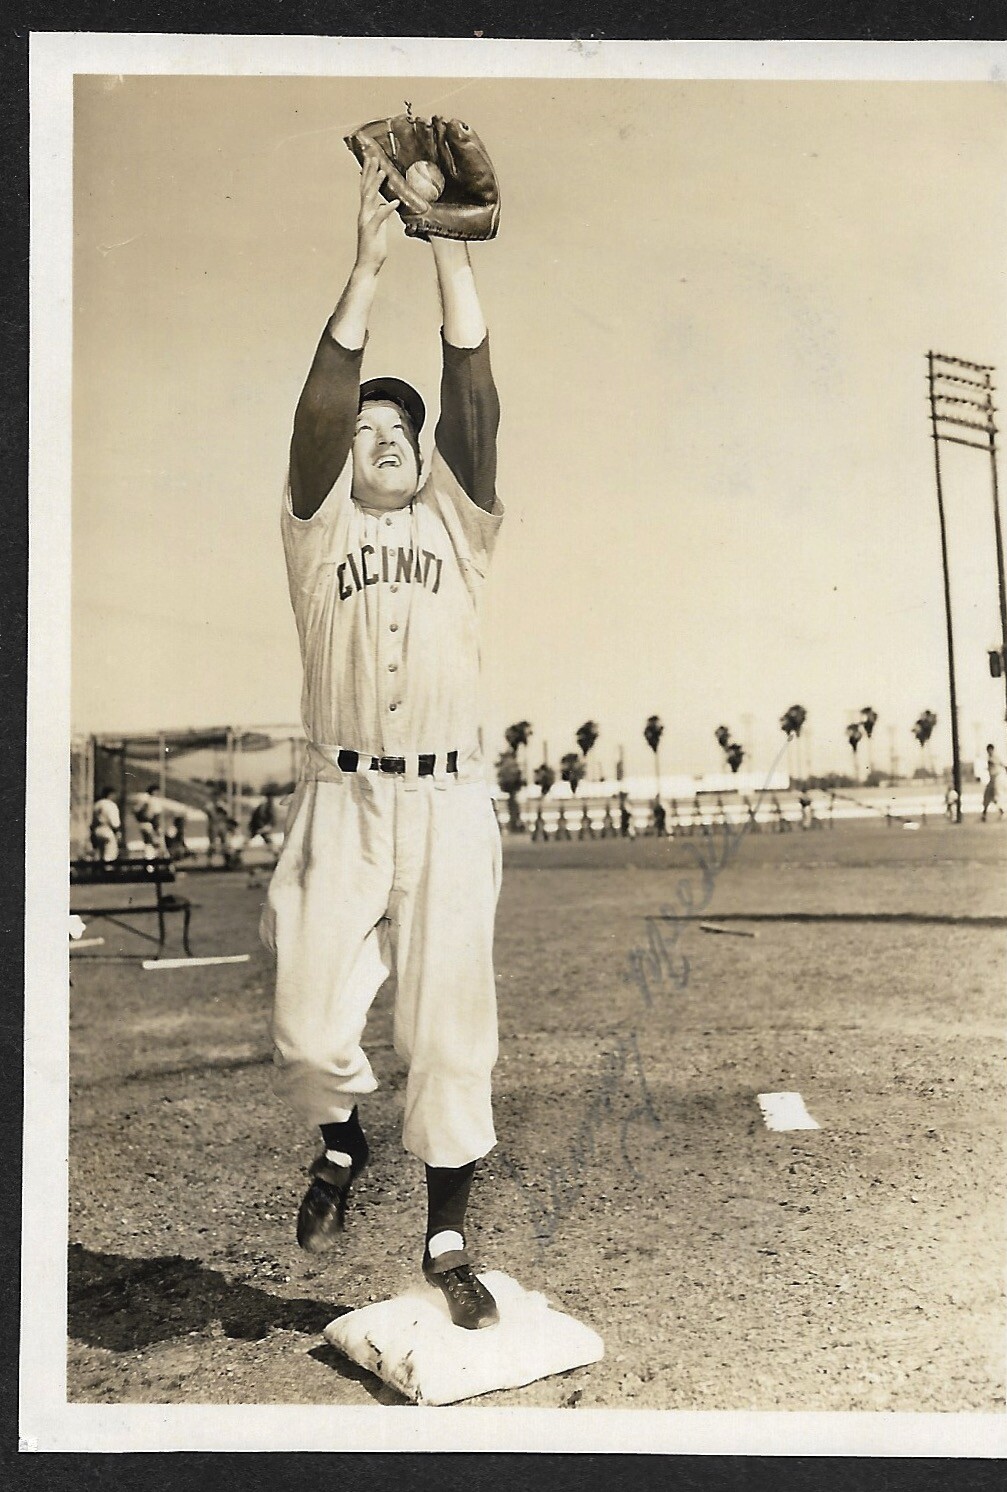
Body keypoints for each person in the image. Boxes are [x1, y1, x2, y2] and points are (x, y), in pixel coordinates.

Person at [259, 153, 504, 1330]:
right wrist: (365, 270)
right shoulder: (316, 537)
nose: (383, 432)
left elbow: (473, 404)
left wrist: (449, 246)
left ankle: (447, 1230)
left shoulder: (460, 526)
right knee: (308, 1027)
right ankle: (343, 1138)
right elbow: (314, 416)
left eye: (397, 423)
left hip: (450, 802)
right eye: (368, 426)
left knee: (448, 1026)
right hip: (338, 804)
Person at [89, 786, 121, 862]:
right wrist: (117, 831)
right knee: (110, 854)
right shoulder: (111, 805)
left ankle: (98, 870)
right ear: (110, 794)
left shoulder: (97, 804)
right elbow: (114, 822)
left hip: (98, 830)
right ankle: (107, 871)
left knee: (99, 853)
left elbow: (92, 820)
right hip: (108, 830)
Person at [131, 784, 162, 854]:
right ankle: (151, 861)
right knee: (154, 844)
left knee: (147, 843)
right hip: (150, 824)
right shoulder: (153, 800)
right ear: (154, 791)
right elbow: (156, 816)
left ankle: (149, 859)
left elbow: (135, 810)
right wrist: (157, 829)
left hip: (142, 823)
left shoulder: (142, 798)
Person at [981, 743, 1007, 821]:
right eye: (988, 750)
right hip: (992, 779)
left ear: (992, 750)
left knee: (996, 796)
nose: (989, 751)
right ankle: (984, 815)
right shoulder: (989, 757)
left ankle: (1003, 812)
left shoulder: (995, 757)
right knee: (987, 796)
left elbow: (1002, 764)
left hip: (997, 779)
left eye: (990, 750)